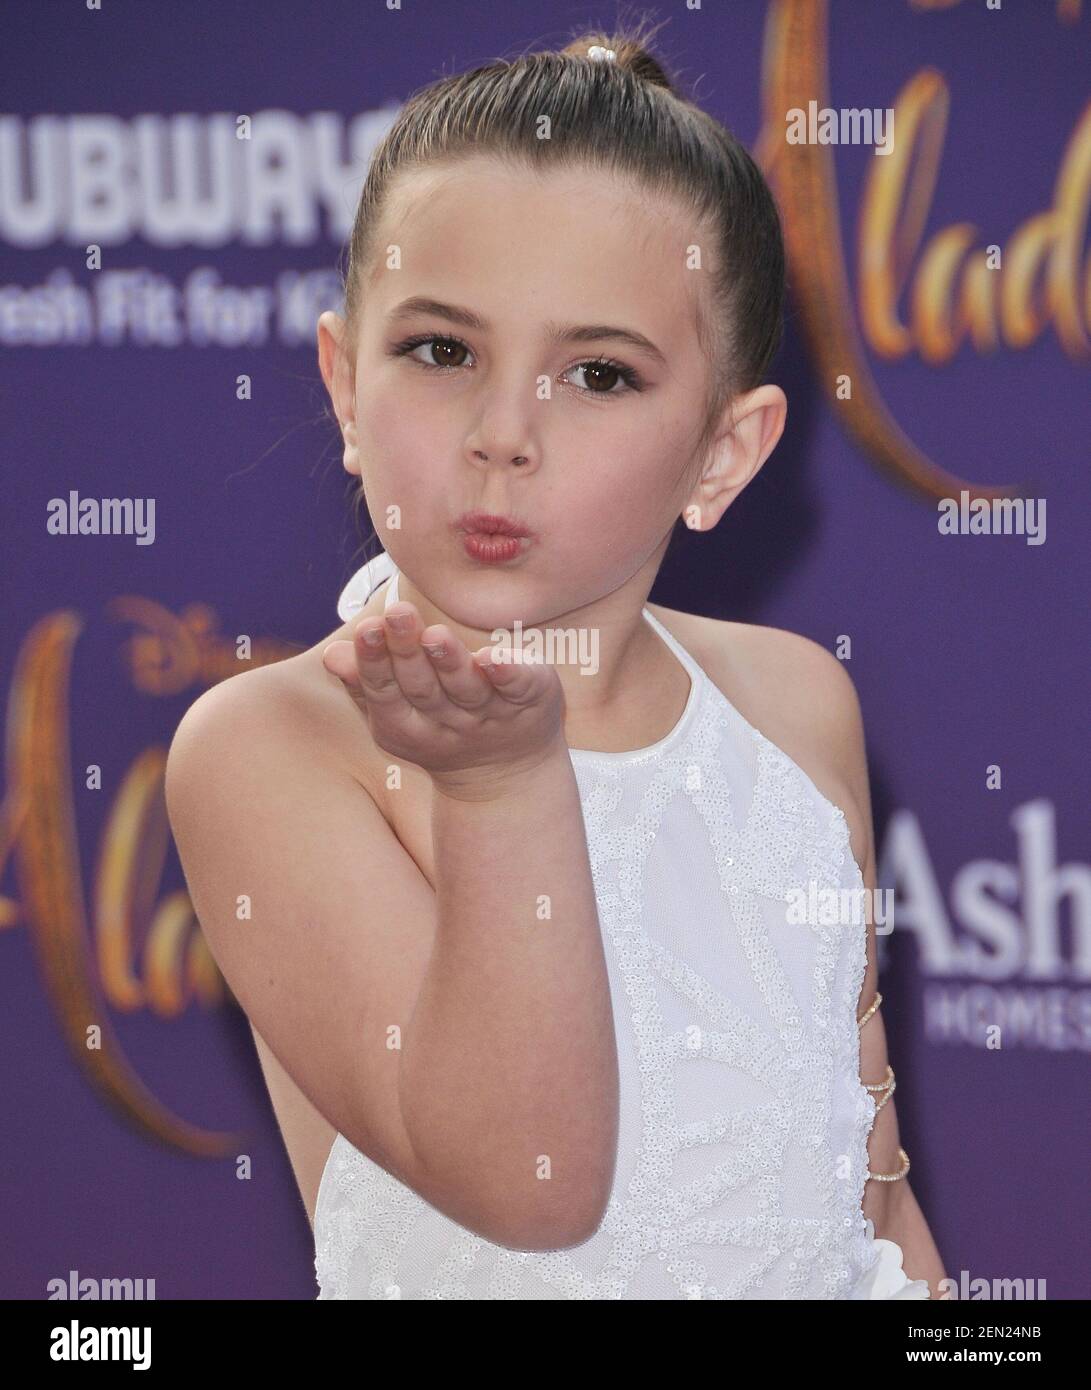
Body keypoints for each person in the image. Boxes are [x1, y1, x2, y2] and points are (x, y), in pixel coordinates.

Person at [165, 24, 948, 1299]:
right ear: (346, 389)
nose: (501, 434)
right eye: (440, 351)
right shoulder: (271, 746)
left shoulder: (797, 706)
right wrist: (498, 791)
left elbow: (871, 1199)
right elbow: (530, 1185)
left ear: (723, 454)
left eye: (596, 372)